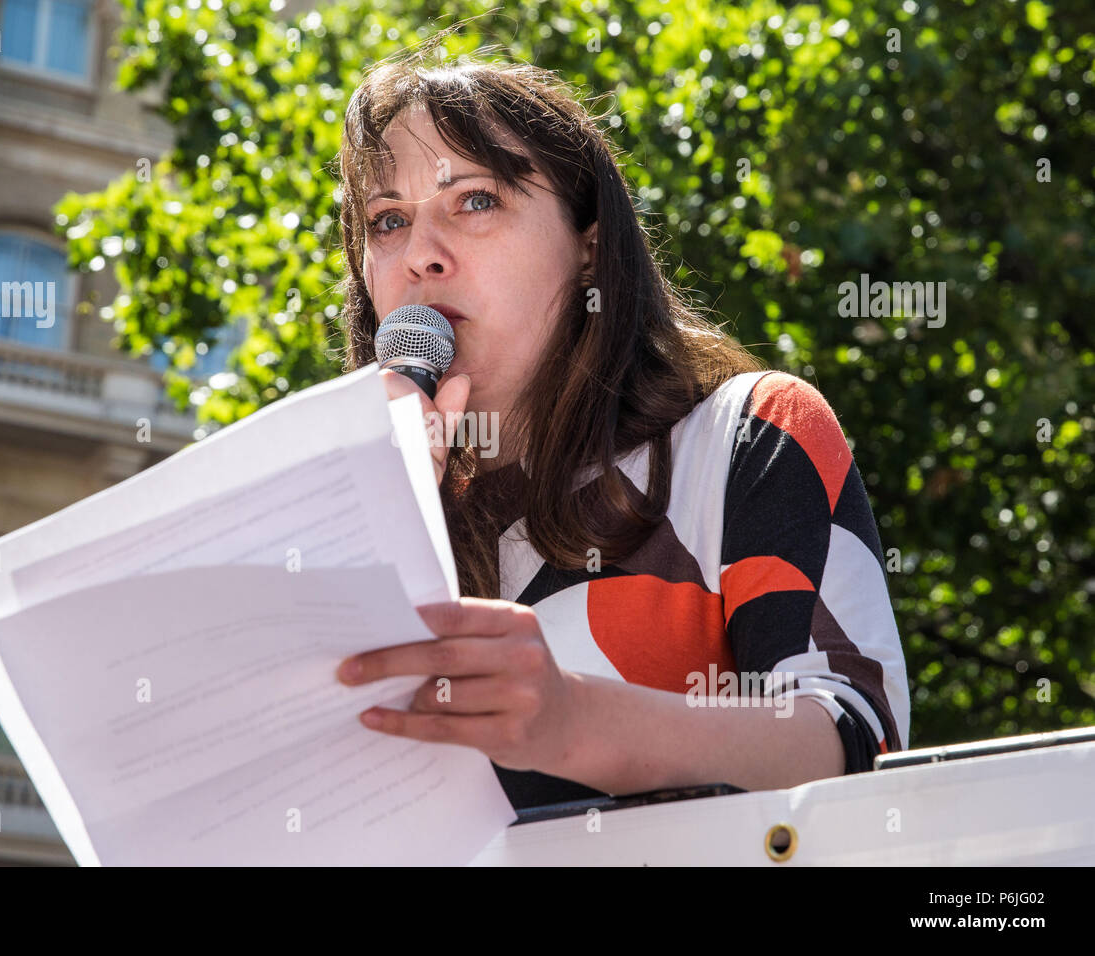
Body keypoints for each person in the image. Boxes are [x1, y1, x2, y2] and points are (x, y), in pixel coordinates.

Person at [332, 50, 910, 808]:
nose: (419, 257)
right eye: (387, 221)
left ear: (590, 248)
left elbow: (854, 740)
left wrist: (571, 720)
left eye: (474, 201)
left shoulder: (746, 436)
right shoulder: (347, 512)